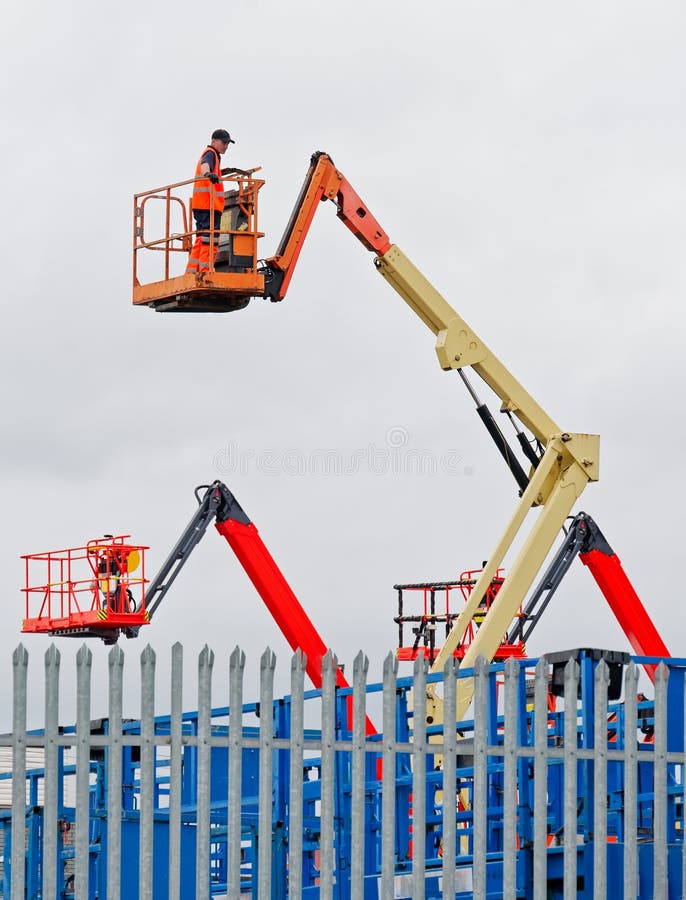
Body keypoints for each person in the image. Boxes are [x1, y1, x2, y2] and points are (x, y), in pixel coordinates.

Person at [186, 129, 236, 275]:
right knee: (211, 239)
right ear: (214, 141)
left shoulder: (212, 154)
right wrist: (208, 174)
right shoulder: (210, 153)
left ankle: (191, 272)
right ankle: (206, 271)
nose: (226, 146)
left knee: (201, 238)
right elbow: (205, 165)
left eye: (228, 143)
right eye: (224, 142)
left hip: (201, 205)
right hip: (208, 206)